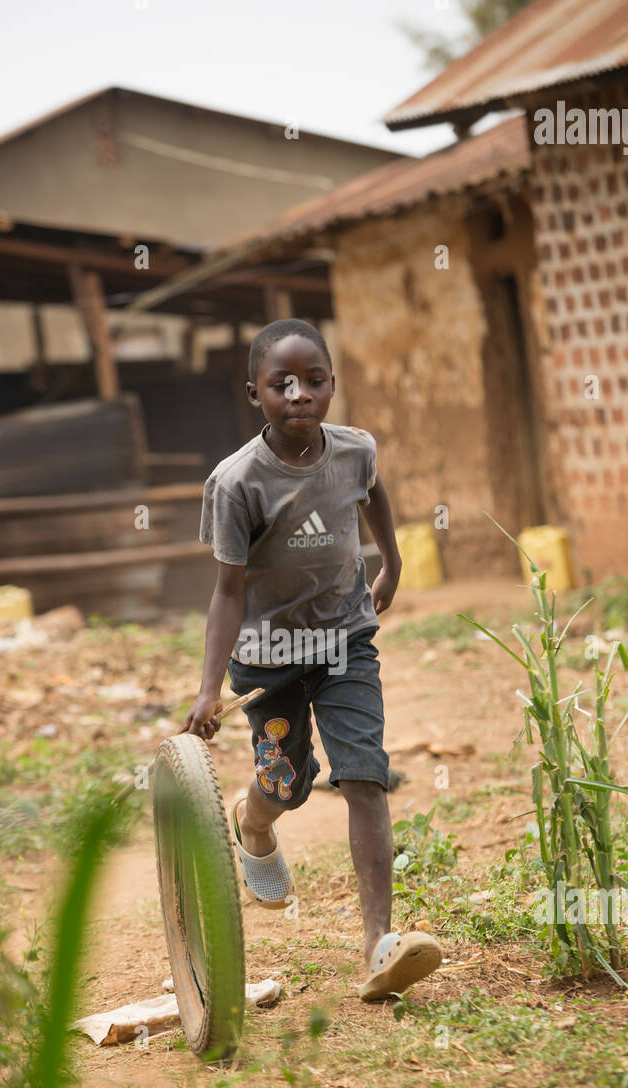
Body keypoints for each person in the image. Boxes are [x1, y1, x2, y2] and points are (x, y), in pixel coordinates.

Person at [179, 318, 441, 1001]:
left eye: (315, 381)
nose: (301, 394)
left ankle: (378, 944)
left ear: (332, 385)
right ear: (255, 394)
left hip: (345, 640)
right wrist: (209, 688)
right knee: (288, 785)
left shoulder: (354, 450)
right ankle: (254, 820)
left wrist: (392, 561)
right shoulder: (237, 483)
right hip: (267, 662)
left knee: (364, 777)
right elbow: (227, 591)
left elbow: (374, 490)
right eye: (282, 384)